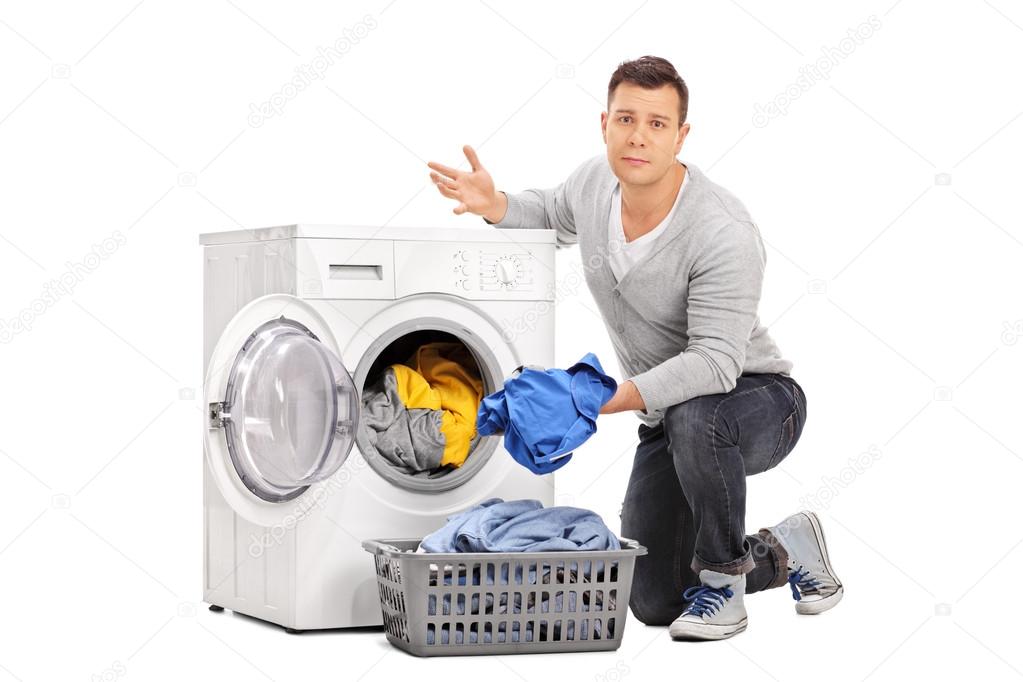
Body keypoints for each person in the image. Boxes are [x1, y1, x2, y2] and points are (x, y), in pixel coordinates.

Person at [426, 55, 842, 641]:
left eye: (656, 123)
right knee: (653, 598)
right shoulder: (596, 184)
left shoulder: (721, 229)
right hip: (670, 415)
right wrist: (496, 205)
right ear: (604, 124)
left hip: (759, 400)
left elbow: (716, 362)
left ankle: (724, 584)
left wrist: (604, 399)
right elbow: (549, 212)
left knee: (700, 415)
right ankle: (785, 551)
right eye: (625, 119)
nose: (637, 137)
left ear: (681, 135)